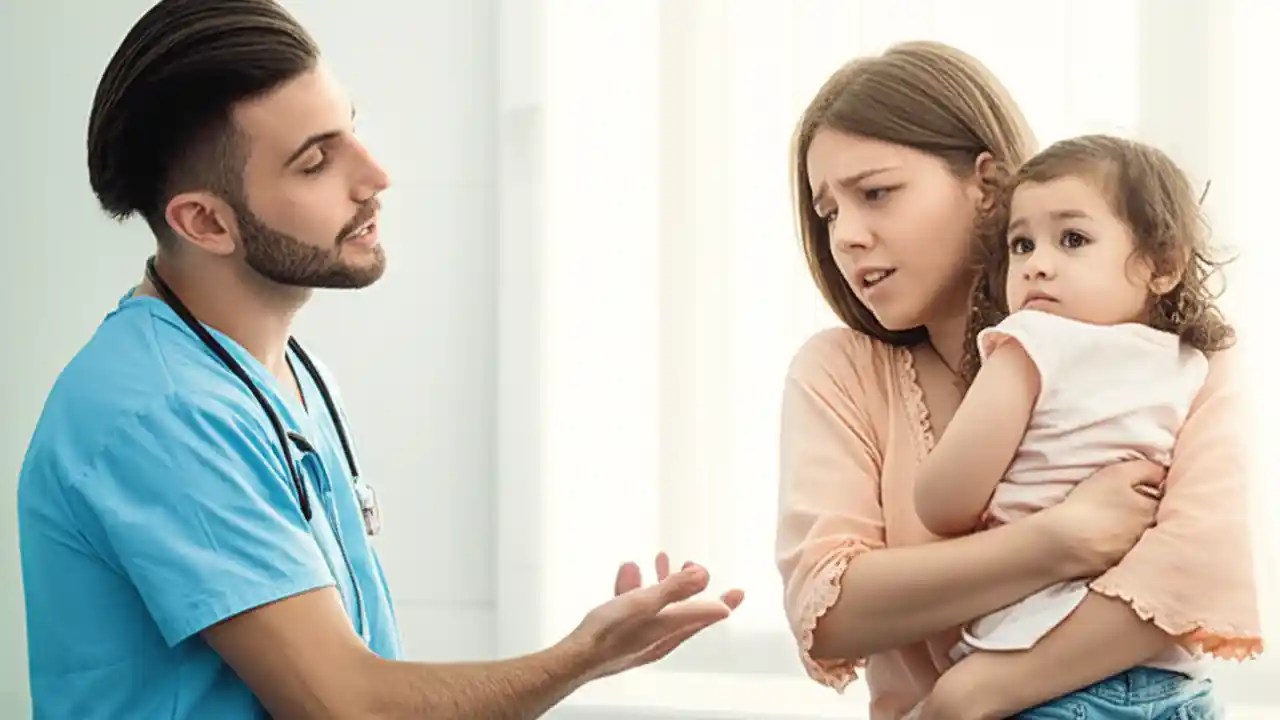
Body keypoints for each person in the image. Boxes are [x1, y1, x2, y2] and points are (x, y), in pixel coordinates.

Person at [16, 1, 743, 718]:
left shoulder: (288, 377)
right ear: (205, 221)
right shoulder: (160, 413)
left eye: (351, 130)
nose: (375, 176)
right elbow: (348, 706)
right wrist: (584, 655)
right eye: (316, 161)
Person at [775, 41, 1260, 720]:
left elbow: (1194, 574)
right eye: (828, 213)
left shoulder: (1184, 352)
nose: (847, 235)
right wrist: (1056, 540)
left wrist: (976, 693)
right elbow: (830, 612)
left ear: (987, 184)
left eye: (876, 193)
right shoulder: (839, 372)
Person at [911, 134, 1244, 717]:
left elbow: (942, 500)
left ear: (1161, 265)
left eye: (1072, 239)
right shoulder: (1193, 365)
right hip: (1174, 681)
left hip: (1043, 671)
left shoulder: (1033, 341)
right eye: (1021, 244)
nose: (1038, 263)